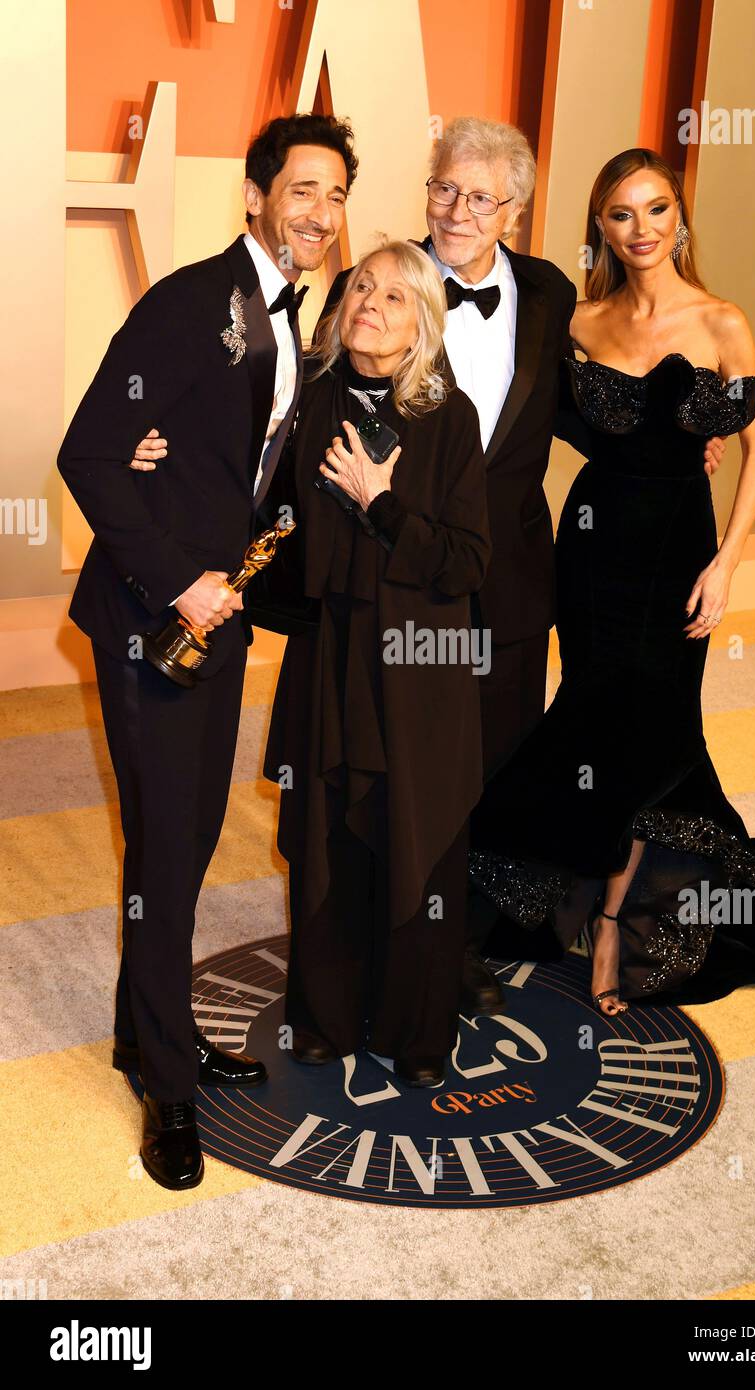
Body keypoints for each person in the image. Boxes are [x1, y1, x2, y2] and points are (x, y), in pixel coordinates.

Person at [316, 117, 727, 1017]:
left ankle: (454, 946)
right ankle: (369, 946)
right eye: (444, 190)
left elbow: (572, 411)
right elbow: (319, 402)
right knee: (386, 764)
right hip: (391, 585)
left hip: (506, 585)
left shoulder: (543, 294)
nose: (458, 211)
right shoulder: (379, 281)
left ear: (516, 208)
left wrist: (670, 446)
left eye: (480, 196)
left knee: (488, 771)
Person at [59, 112, 357, 1189]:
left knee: (178, 842)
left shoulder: (297, 317)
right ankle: (168, 1095)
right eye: (302, 190)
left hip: (215, 622)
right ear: (255, 193)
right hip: (153, 618)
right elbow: (89, 447)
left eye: (333, 196)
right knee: (170, 847)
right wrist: (176, 579)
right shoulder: (195, 300)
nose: (318, 215)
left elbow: (244, 466)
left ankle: (149, 1037)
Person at [467, 147, 755, 1013]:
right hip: (590, 551)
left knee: (656, 725)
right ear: (601, 225)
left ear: (679, 218)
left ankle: (617, 926)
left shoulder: (722, 321)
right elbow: (525, 422)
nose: (640, 231)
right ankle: (582, 901)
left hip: (679, 551)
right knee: (591, 718)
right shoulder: (579, 322)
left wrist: (728, 560)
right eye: (621, 214)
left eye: (655, 210)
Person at [261, 240, 490, 1086]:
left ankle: (418, 1032)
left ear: (421, 324)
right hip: (329, 658)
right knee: (326, 839)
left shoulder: (447, 417)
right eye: (363, 287)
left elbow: (468, 563)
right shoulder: (309, 402)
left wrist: (381, 502)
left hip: (419, 673)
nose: (371, 303)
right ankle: (322, 1016)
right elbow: (269, 525)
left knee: (417, 843)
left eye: (396, 296)